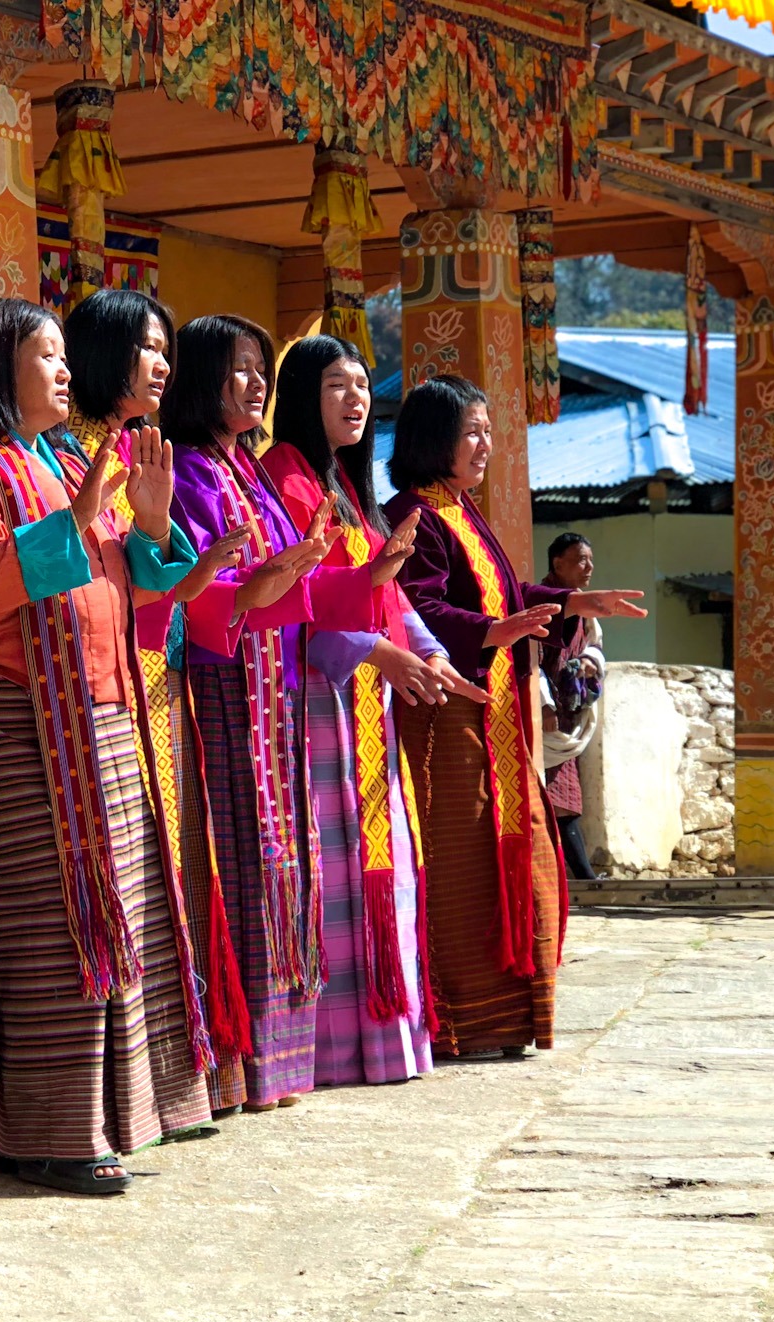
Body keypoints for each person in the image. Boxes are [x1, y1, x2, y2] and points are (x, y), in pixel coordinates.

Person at [0, 297, 206, 1196]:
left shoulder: (70, 462)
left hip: (104, 717)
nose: (64, 372)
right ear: (0, 367)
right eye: (45, 356)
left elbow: (132, 576)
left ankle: (121, 1115)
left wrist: (153, 525)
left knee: (115, 918)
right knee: (44, 929)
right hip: (18, 728)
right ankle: (48, 1133)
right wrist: (83, 517)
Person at [159, 314, 379, 1113]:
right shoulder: (187, 471)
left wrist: (368, 575)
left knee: (289, 869)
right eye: (239, 369)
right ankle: (239, 1065)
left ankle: (283, 1063)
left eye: (261, 370)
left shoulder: (246, 472)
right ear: (203, 378)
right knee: (245, 866)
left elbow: (303, 591)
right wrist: (254, 587)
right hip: (225, 690)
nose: (255, 384)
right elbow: (198, 595)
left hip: (277, 688)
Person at [388, 376, 644, 1058]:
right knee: (462, 869)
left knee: (519, 856)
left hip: (496, 726)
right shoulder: (414, 514)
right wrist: (496, 630)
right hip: (447, 718)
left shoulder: (462, 512)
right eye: (470, 431)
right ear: (431, 437)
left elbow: (503, 594)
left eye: (487, 431)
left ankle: (507, 1019)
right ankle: (462, 1021)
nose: (484, 445)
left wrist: (573, 603)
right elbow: (417, 609)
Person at [263, 335, 484, 1085]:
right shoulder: (287, 480)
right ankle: (332, 1047)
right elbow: (302, 604)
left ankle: (386, 1039)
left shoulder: (347, 489)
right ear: (298, 395)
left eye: (361, 385)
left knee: (385, 875)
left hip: (367, 705)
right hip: (319, 702)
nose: (355, 399)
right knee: (337, 874)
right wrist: (380, 654)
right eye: (334, 385)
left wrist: (432, 654)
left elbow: (388, 594)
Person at [64, 288, 252, 1092]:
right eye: (148, 346)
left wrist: (197, 571)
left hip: (159, 682)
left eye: (167, 348)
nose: (163, 364)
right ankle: (140, 1080)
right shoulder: (71, 454)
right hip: (100, 687)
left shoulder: (142, 447)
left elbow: (155, 573)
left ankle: (181, 1071)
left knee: (172, 868)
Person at [540, 532, 604, 881]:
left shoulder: (583, 607)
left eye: (590, 560)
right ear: (557, 564)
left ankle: (579, 875)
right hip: (544, 719)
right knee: (554, 799)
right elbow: (529, 657)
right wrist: (544, 706)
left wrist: (589, 660)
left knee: (563, 799)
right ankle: (581, 877)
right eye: (581, 560)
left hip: (567, 718)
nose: (588, 567)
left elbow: (595, 645)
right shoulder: (544, 604)